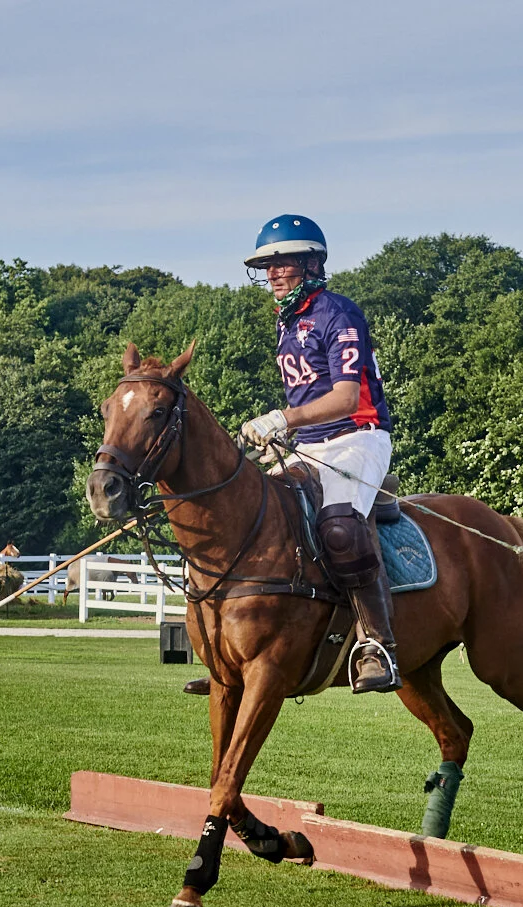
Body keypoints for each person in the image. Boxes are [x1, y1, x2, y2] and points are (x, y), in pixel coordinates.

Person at [233, 215, 400, 694]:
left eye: (281, 263)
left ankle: (378, 648)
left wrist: (283, 419)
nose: (272, 274)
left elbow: (347, 397)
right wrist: (286, 433)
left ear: (310, 263)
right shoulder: (286, 324)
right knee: (257, 515)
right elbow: (307, 399)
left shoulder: (337, 313)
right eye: (266, 266)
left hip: (358, 434)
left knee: (341, 530)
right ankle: (242, 650)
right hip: (309, 443)